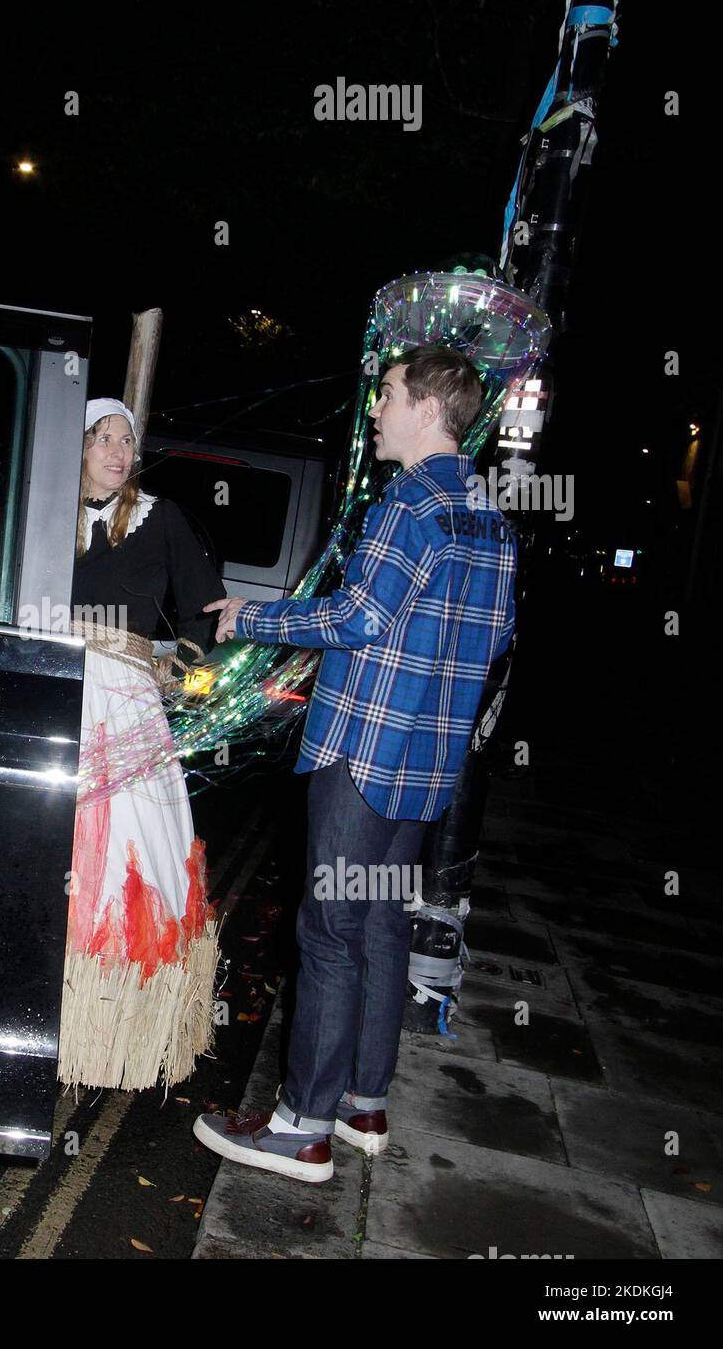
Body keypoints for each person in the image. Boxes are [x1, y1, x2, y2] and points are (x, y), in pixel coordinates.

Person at [194, 346, 515, 1182]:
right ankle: (363, 1101)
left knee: (329, 929)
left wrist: (256, 617)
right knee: (377, 921)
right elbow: (494, 638)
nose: (377, 408)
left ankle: (301, 1127)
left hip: (364, 749)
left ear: (430, 411)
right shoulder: (489, 512)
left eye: (391, 395)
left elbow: (361, 614)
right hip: (426, 763)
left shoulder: (410, 499)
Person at [59, 397, 228, 1091]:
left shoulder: (162, 518)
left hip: (125, 700)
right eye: (104, 438)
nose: (120, 450)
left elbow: (205, 604)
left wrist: (182, 662)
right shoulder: (47, 515)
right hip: (56, 686)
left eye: (128, 440)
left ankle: (113, 1037)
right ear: (78, 446)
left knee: (130, 854)